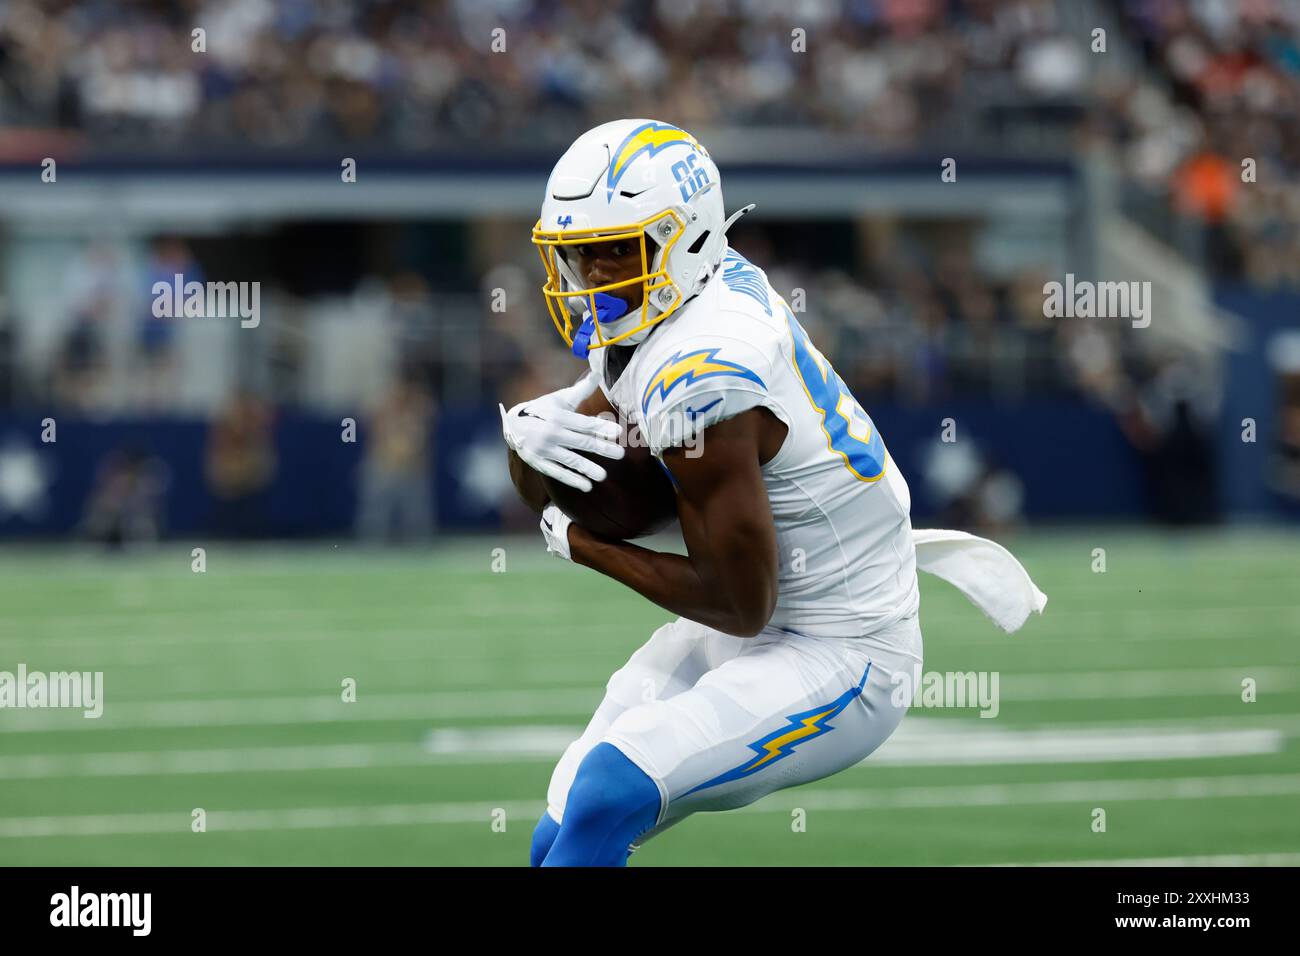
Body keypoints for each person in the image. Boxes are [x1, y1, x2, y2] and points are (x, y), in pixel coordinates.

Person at [501, 120, 1041, 867]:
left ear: (683, 238)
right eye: (579, 255)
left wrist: (587, 546)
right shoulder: (679, 292)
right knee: (558, 830)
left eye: (614, 250)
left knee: (608, 790)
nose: (592, 277)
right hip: (767, 622)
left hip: (844, 651)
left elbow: (736, 600)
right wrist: (535, 433)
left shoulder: (707, 369)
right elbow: (608, 424)